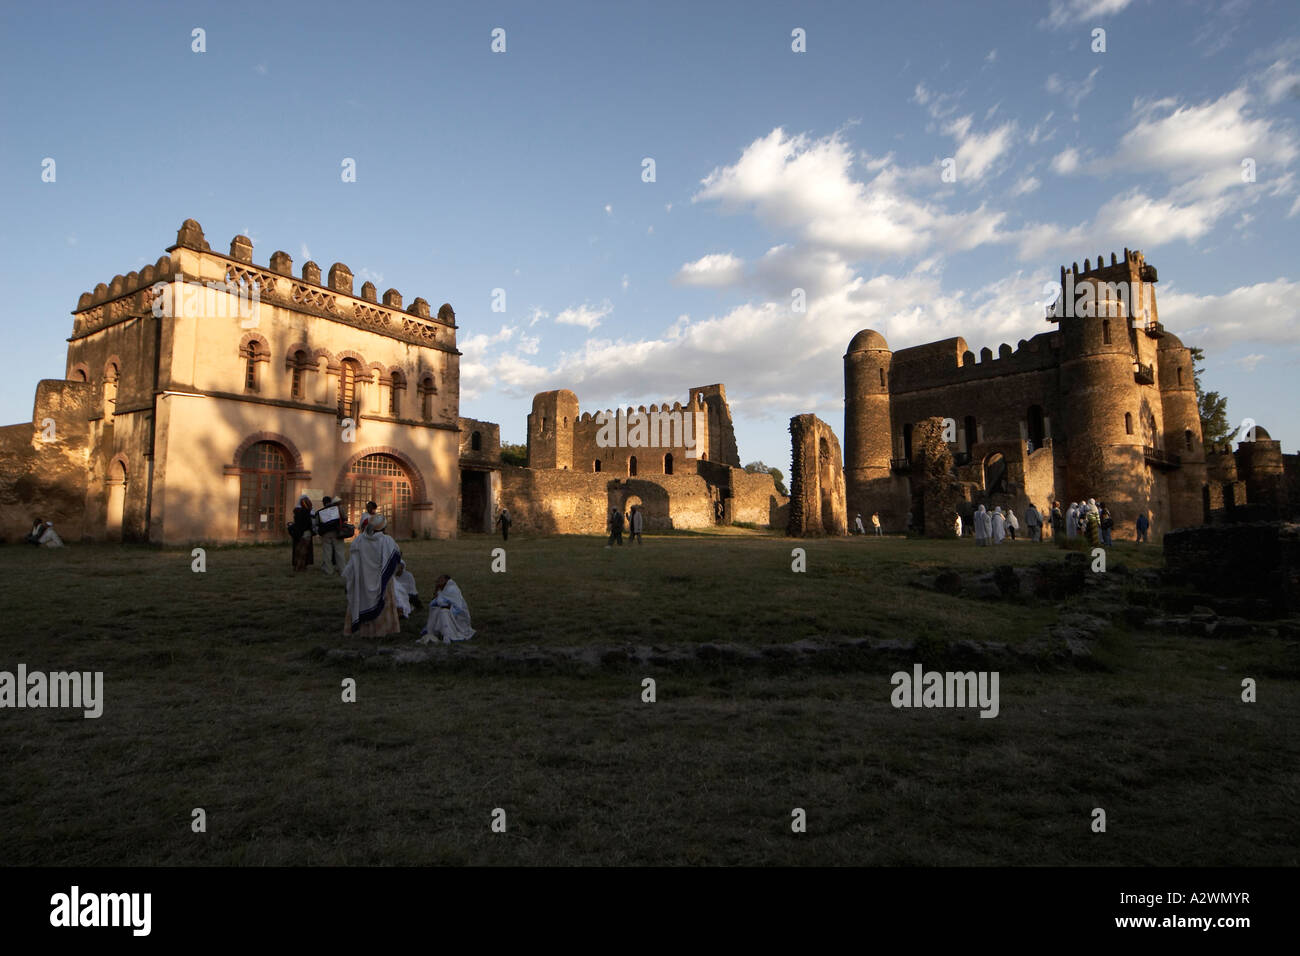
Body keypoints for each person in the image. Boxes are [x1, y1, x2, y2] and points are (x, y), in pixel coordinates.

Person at [342, 514, 403, 639]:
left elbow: (353, 563)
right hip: (382, 582)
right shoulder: (387, 541)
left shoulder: (358, 540)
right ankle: (382, 630)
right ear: (384, 528)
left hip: (362, 580)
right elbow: (395, 559)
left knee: (361, 601)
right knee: (383, 602)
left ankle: (363, 631)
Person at [418, 574, 476, 644]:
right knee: (435, 610)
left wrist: (445, 607)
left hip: (457, 615)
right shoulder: (441, 591)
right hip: (445, 610)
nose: (438, 581)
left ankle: (448, 635)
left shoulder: (452, 589)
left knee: (443, 612)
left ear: (446, 580)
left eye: (441, 579)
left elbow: (457, 607)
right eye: (438, 580)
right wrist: (436, 590)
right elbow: (434, 602)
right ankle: (432, 632)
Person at [316, 495, 346, 576]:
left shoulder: (320, 512)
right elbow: (345, 517)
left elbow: (317, 523)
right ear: (331, 501)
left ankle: (329, 571)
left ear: (323, 503)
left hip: (325, 534)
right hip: (337, 532)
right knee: (339, 552)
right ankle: (342, 571)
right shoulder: (338, 508)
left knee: (327, 553)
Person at [289, 495, 315, 571]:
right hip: (305, 533)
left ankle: (296, 564)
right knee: (304, 551)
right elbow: (309, 524)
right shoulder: (307, 512)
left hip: (297, 533)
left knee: (297, 550)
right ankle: (302, 566)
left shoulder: (297, 512)